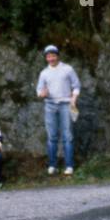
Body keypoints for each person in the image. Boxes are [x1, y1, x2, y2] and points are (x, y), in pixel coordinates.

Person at [35, 43, 80, 175]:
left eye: (53, 55)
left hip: (66, 104)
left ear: (57, 56)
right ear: (46, 58)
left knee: (67, 136)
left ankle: (69, 166)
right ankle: (52, 165)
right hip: (50, 105)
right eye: (48, 56)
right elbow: (39, 90)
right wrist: (41, 94)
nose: (51, 59)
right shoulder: (44, 73)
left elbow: (76, 85)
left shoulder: (68, 69)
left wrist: (74, 98)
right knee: (52, 136)